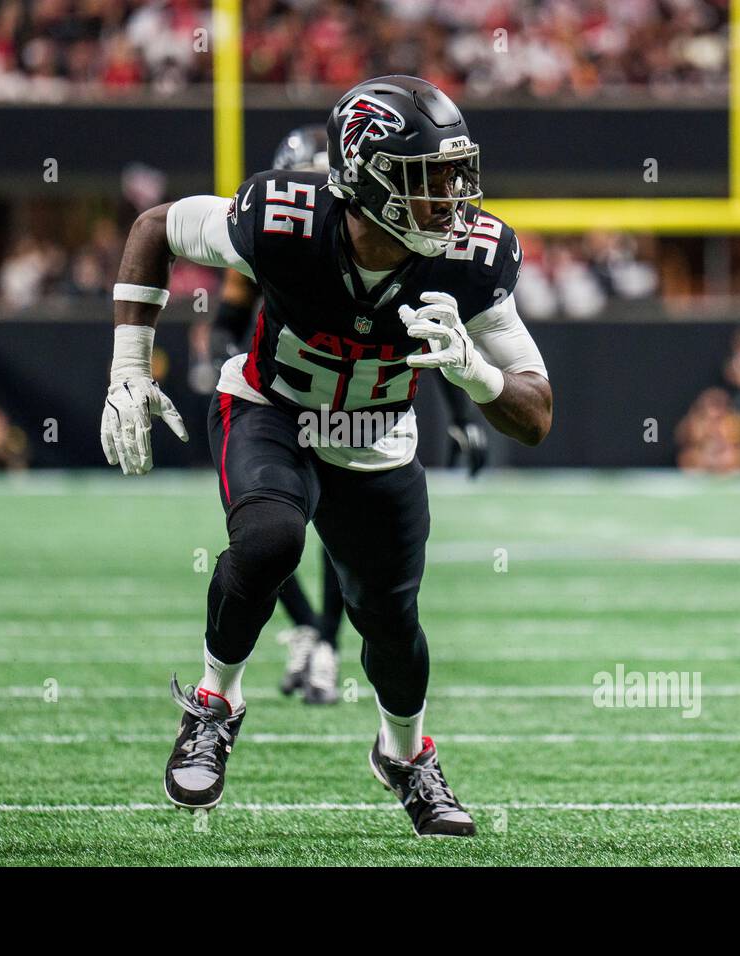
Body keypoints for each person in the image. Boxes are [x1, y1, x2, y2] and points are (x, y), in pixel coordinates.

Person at [99, 75, 552, 837]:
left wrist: (475, 371)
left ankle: (405, 756)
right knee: (270, 538)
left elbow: (536, 413)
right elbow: (155, 227)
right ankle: (215, 704)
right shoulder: (284, 219)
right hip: (272, 408)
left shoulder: (473, 255)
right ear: (364, 177)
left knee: (391, 622)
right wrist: (128, 370)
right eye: (426, 178)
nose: (450, 198)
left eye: (453, 175)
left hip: (376, 436)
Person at [211, 124, 489, 707]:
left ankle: (327, 643)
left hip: (361, 419)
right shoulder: (279, 235)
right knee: (269, 532)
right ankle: (308, 636)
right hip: (285, 401)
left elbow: (428, 342)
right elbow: (226, 319)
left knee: (351, 555)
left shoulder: (410, 247)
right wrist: (226, 367)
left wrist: (466, 406)